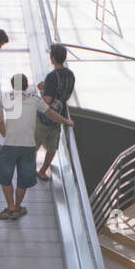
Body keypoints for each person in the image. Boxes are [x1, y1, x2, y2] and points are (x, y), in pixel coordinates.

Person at [0, 73, 72, 220]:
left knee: (5, 177)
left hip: (10, 145)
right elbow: (51, 114)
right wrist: (66, 121)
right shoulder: (35, 100)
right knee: (23, 180)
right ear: (26, 85)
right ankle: (17, 209)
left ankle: (10, 208)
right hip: (28, 147)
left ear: (12, 86)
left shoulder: (6, 98)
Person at [34, 43, 77, 182]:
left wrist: (41, 91)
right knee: (52, 148)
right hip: (59, 117)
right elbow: (67, 97)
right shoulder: (71, 75)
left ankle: (29, 169)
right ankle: (42, 171)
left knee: (34, 145)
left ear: (52, 58)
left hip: (45, 117)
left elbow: (46, 100)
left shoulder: (51, 76)